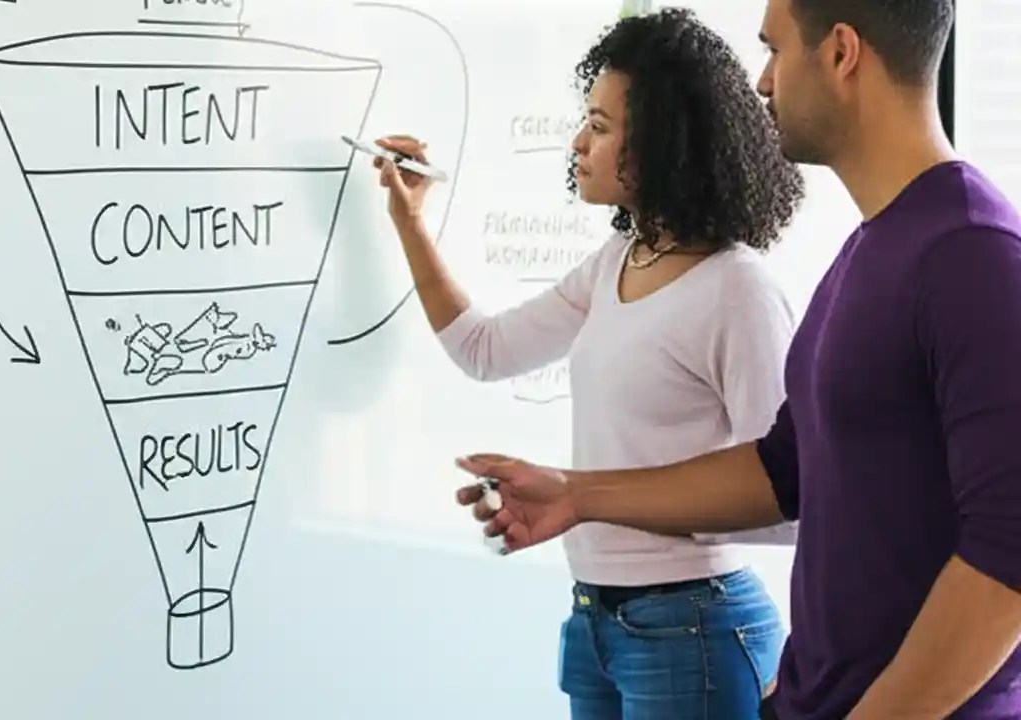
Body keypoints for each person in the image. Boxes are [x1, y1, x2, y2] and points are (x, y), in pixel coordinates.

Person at [456, 0, 1021, 717]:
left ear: (841, 52)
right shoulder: (867, 253)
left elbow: (1009, 553)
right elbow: (784, 470)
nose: (760, 81)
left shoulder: (973, 253)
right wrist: (577, 494)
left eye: (775, 51)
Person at [371, 8, 805, 718]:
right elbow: (484, 350)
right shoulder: (617, 263)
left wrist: (587, 495)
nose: (577, 142)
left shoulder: (738, 290)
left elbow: (788, 504)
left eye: (600, 127)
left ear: (662, 143)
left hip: (692, 624)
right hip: (596, 623)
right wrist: (411, 222)